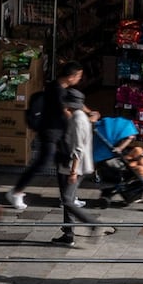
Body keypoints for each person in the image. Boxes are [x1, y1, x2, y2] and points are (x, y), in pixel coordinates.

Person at [8, 60, 81, 210]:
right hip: (50, 132)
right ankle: (16, 192)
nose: (79, 79)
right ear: (71, 76)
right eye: (79, 76)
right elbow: (65, 112)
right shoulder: (57, 90)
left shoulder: (58, 87)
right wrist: (81, 119)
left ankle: (67, 197)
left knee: (64, 162)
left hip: (58, 132)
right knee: (43, 163)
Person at [54, 89, 108, 247]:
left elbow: (78, 148)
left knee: (67, 200)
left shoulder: (78, 120)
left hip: (74, 167)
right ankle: (68, 233)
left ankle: (92, 224)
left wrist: (73, 171)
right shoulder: (78, 117)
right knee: (67, 199)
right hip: (70, 165)